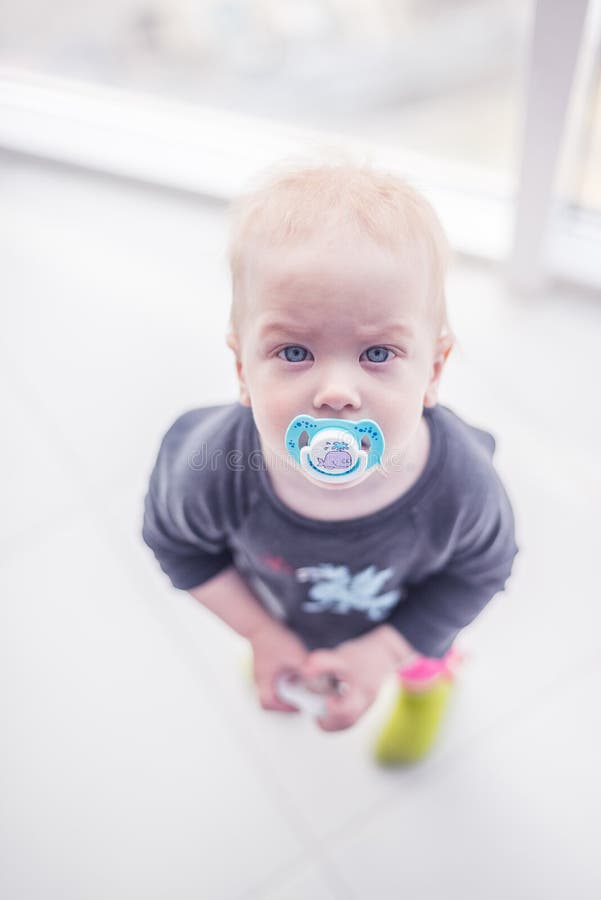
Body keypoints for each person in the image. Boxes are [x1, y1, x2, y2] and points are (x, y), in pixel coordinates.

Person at [142, 159, 519, 763]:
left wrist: (385, 653)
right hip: (282, 606)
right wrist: (261, 633)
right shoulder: (213, 465)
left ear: (434, 369)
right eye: (294, 350)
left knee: (427, 659)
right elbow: (178, 547)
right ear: (243, 370)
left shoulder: (461, 489)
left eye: (377, 352)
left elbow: (480, 571)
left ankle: (423, 692)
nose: (336, 391)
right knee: (285, 644)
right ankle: (285, 654)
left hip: (407, 623)